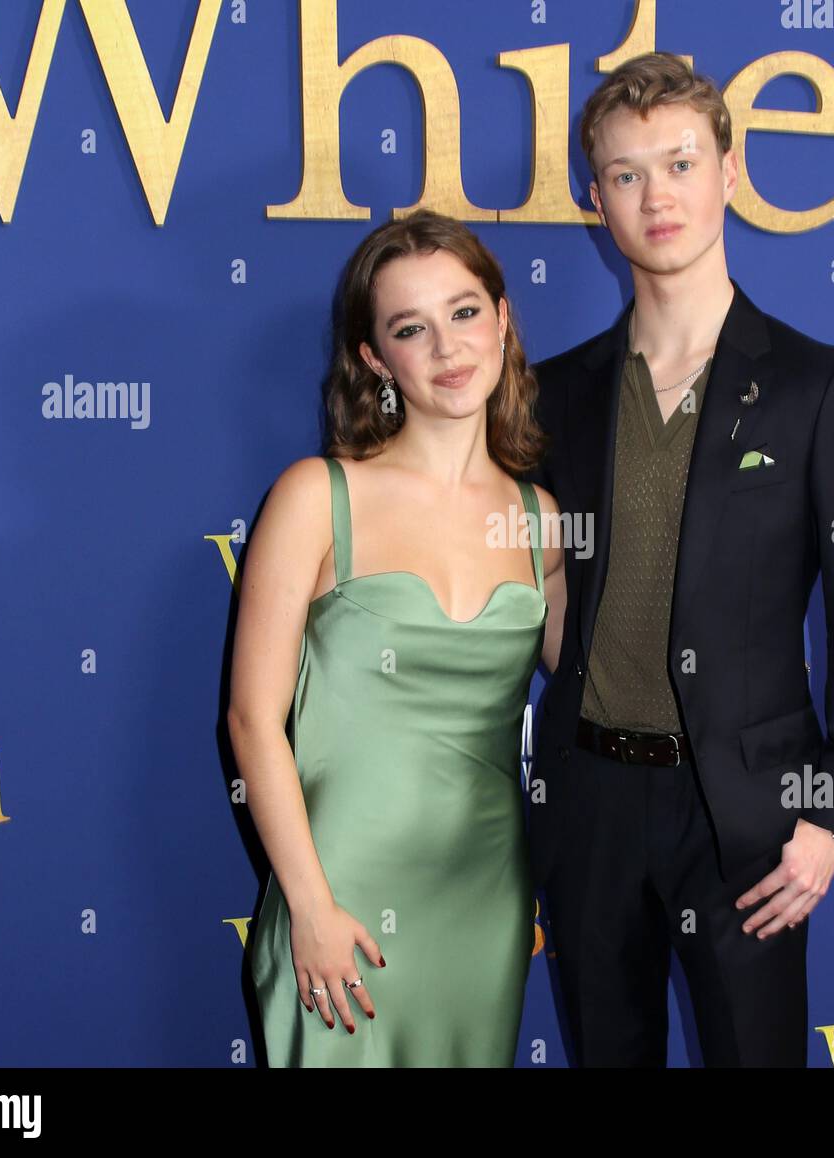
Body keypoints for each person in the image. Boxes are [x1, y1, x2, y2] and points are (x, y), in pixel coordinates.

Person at [523, 53, 834, 1066]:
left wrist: (829, 819)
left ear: (730, 173)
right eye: (625, 174)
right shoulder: (553, 395)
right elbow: (551, 581)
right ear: (592, 199)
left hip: (748, 821)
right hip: (591, 809)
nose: (657, 196)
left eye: (680, 162)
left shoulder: (818, 387)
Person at [228, 209, 565, 1066]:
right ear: (376, 359)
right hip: (339, 891)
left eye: (464, 312)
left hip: (481, 899)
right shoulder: (318, 496)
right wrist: (307, 904)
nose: (448, 348)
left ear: (502, 319)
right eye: (410, 328)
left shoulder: (542, 519)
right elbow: (251, 722)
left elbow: (597, 674)